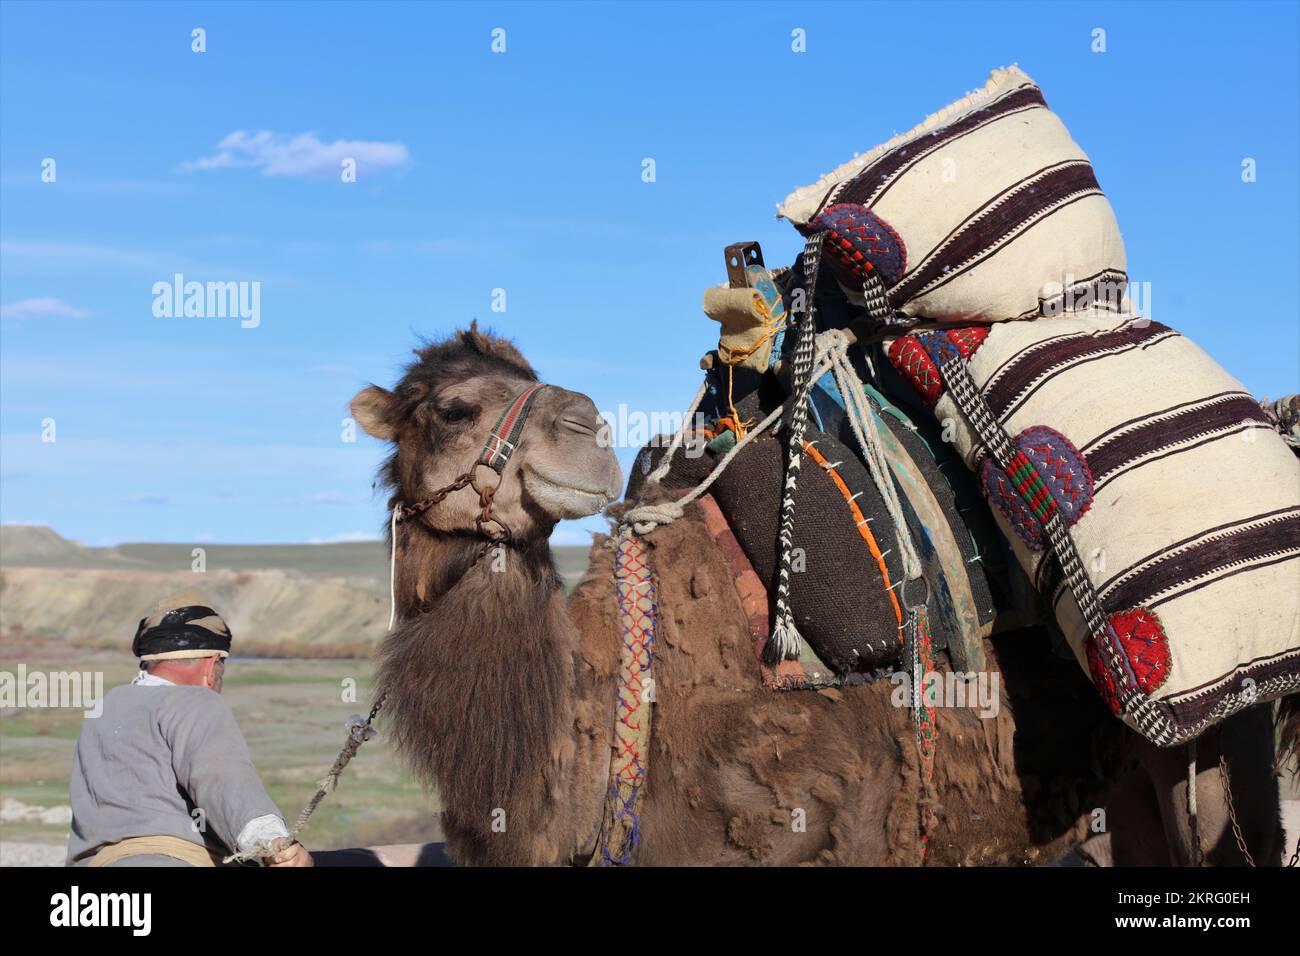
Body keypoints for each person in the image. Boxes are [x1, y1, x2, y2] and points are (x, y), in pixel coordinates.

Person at [66, 587, 312, 867]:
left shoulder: (106, 706)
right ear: (212, 666)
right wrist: (273, 843)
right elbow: (221, 780)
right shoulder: (197, 700)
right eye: (222, 667)